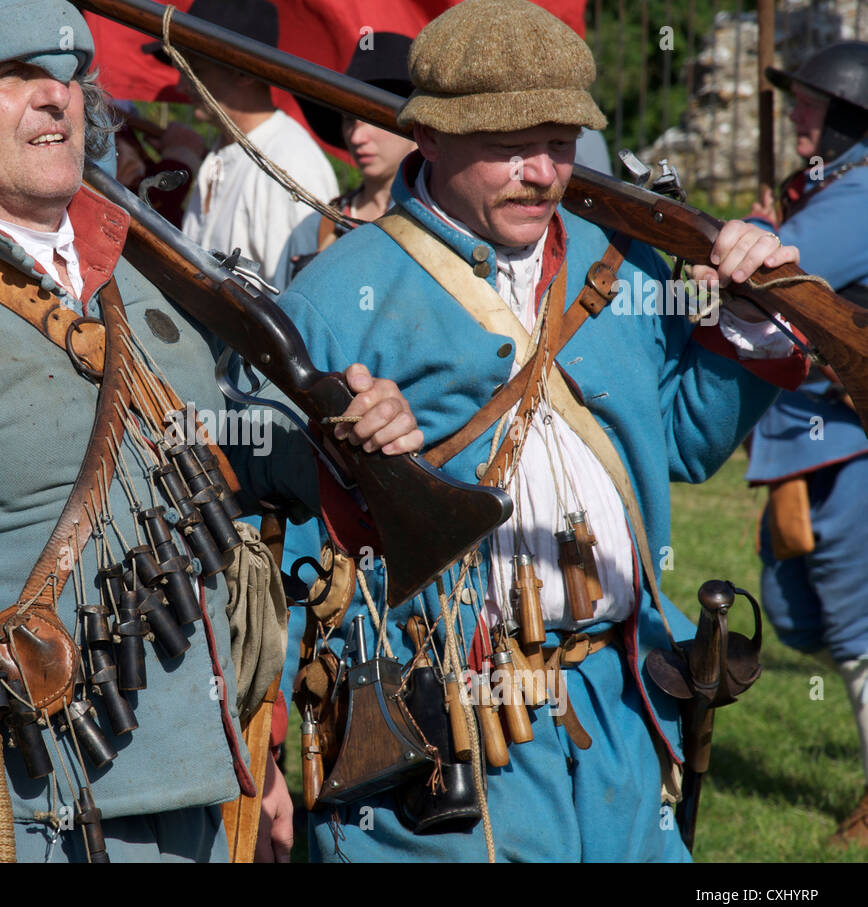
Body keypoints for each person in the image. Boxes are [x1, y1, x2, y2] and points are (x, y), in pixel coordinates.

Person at [0, 0, 423, 863]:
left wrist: (340, 444)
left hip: (198, 804)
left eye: (67, 74)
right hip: (9, 819)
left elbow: (203, 473)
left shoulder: (131, 280)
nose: (57, 97)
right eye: (16, 75)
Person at [277, 0, 807, 862]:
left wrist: (744, 318)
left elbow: (681, 441)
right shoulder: (336, 297)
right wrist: (270, 758)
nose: (540, 172)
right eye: (508, 146)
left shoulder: (620, 260)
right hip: (446, 722)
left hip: (623, 701)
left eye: (559, 142)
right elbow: (278, 551)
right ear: (432, 139)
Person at [745, 41, 868, 849]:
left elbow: (774, 276)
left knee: (857, 627)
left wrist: (752, 234)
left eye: (811, 101)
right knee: (795, 610)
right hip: (810, 436)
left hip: (848, 436)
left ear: (848, 115)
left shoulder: (857, 196)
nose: (797, 109)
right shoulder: (830, 186)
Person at [146, 0, 339, 292]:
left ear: (244, 73)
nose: (182, 85)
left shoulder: (291, 161)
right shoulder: (222, 150)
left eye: (195, 70)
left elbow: (298, 301)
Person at [289, 32, 417, 275]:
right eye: (349, 119)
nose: (357, 138)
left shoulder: (447, 225)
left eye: (372, 119)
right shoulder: (318, 227)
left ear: (412, 124)